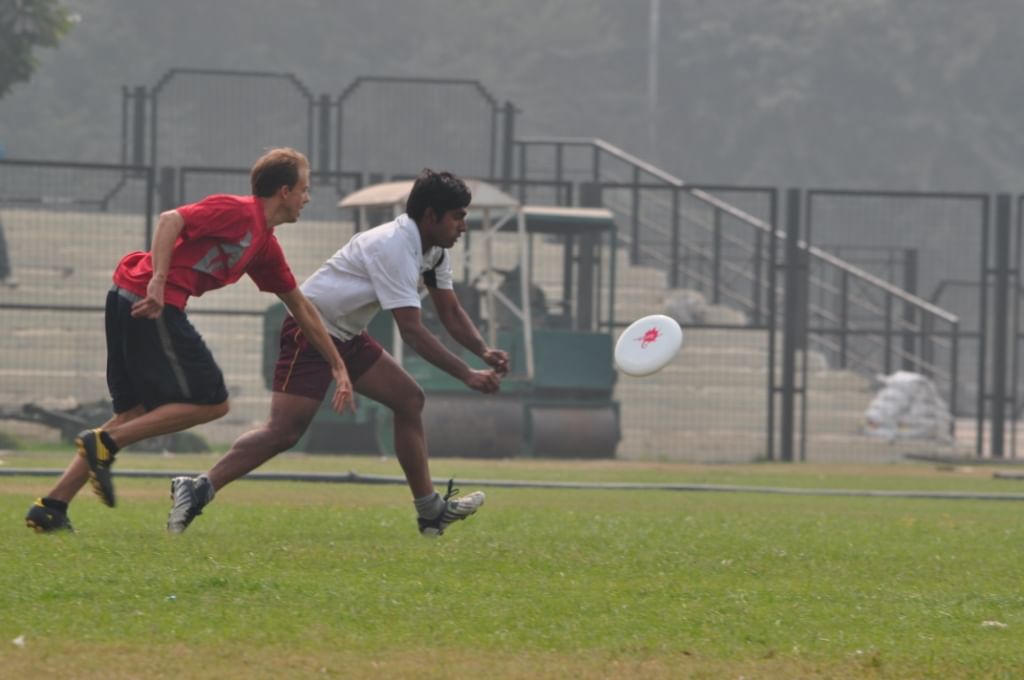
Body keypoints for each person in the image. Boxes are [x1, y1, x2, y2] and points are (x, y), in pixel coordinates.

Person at [25, 147, 355, 532]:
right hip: (152, 302)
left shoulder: (265, 245)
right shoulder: (238, 211)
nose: (307, 198)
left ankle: (52, 507)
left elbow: (300, 306)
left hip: (128, 297)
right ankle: (104, 445)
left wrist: (337, 364)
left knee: (132, 414)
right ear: (284, 191)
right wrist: (159, 281)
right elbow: (171, 220)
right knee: (212, 402)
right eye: (304, 189)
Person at [165, 169, 508, 538]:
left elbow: (451, 312)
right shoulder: (394, 246)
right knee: (284, 431)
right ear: (430, 216)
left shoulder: (435, 250)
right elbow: (412, 331)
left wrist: (483, 350)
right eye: (458, 216)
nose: (463, 226)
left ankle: (430, 513)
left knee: (409, 400)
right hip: (309, 331)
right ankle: (199, 488)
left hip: (347, 334)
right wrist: (467, 374)